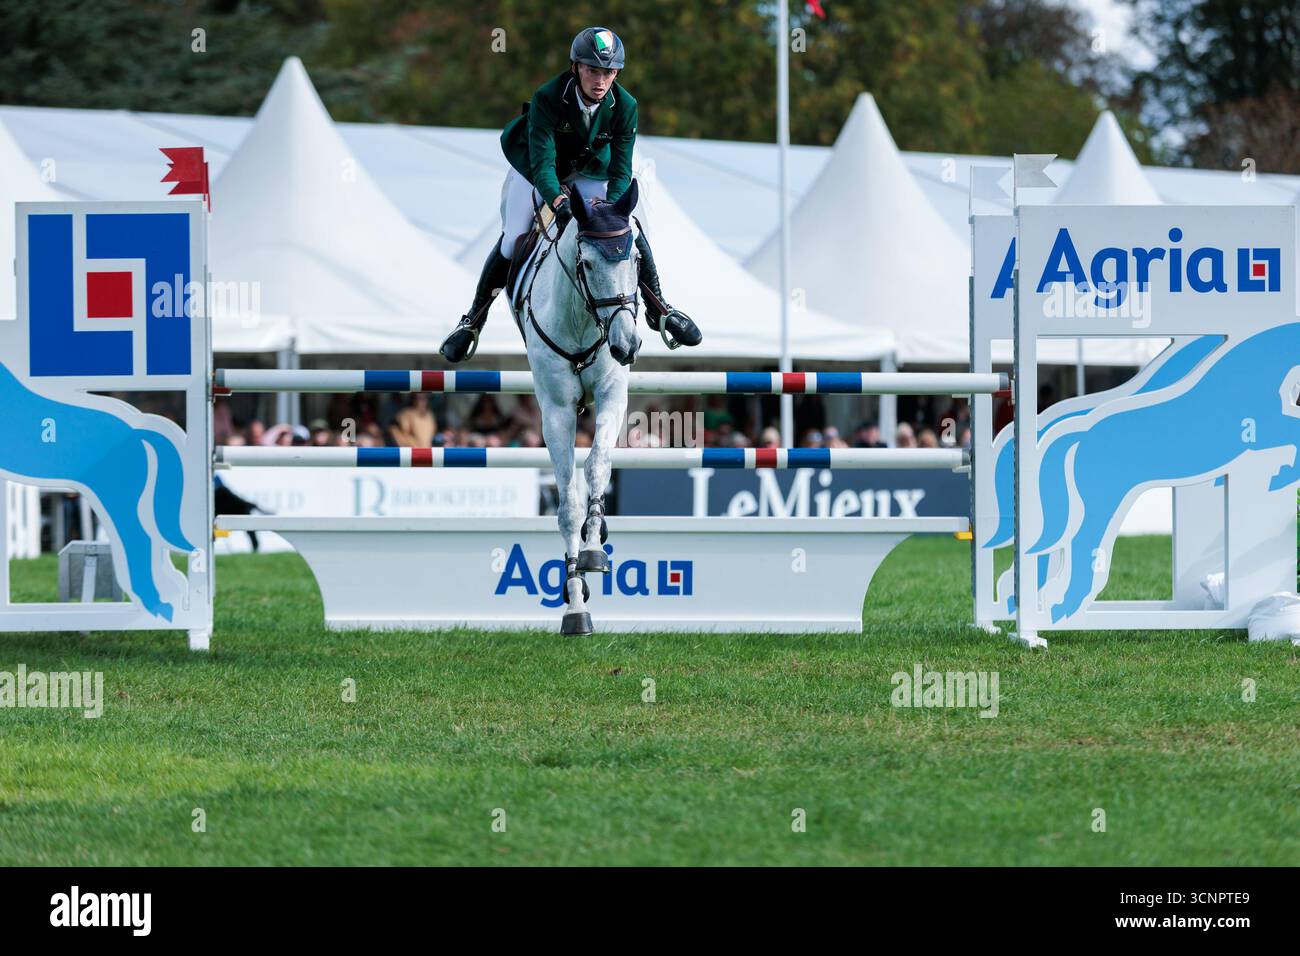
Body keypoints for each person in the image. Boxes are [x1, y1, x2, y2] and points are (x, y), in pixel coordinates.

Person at [439, 26, 702, 362]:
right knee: (514, 236)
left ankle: (660, 308)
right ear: (576, 67)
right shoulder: (548, 97)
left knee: (630, 229)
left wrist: (614, 210)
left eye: (608, 72)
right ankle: (473, 321)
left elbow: (621, 170)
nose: (600, 81)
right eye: (593, 70)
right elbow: (544, 165)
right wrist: (558, 201)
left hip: (593, 172)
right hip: (536, 171)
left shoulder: (625, 106)